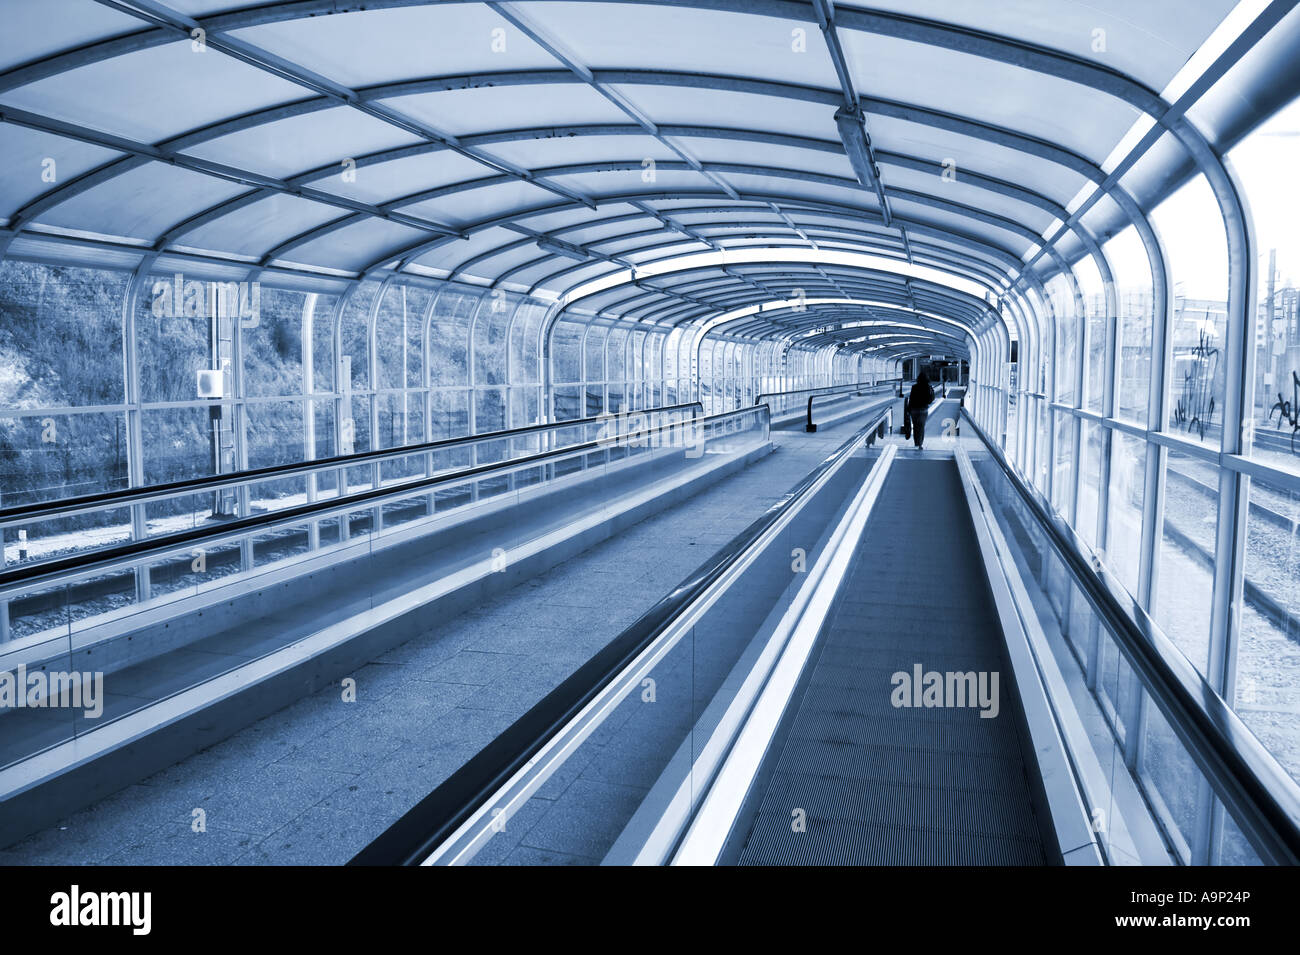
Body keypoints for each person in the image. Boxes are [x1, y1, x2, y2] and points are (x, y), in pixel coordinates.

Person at [908, 371, 935, 449]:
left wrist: (909, 410)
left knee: (916, 427)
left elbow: (911, 399)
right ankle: (920, 444)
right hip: (923, 409)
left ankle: (916, 443)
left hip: (914, 410)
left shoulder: (914, 387)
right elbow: (932, 398)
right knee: (921, 427)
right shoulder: (928, 387)